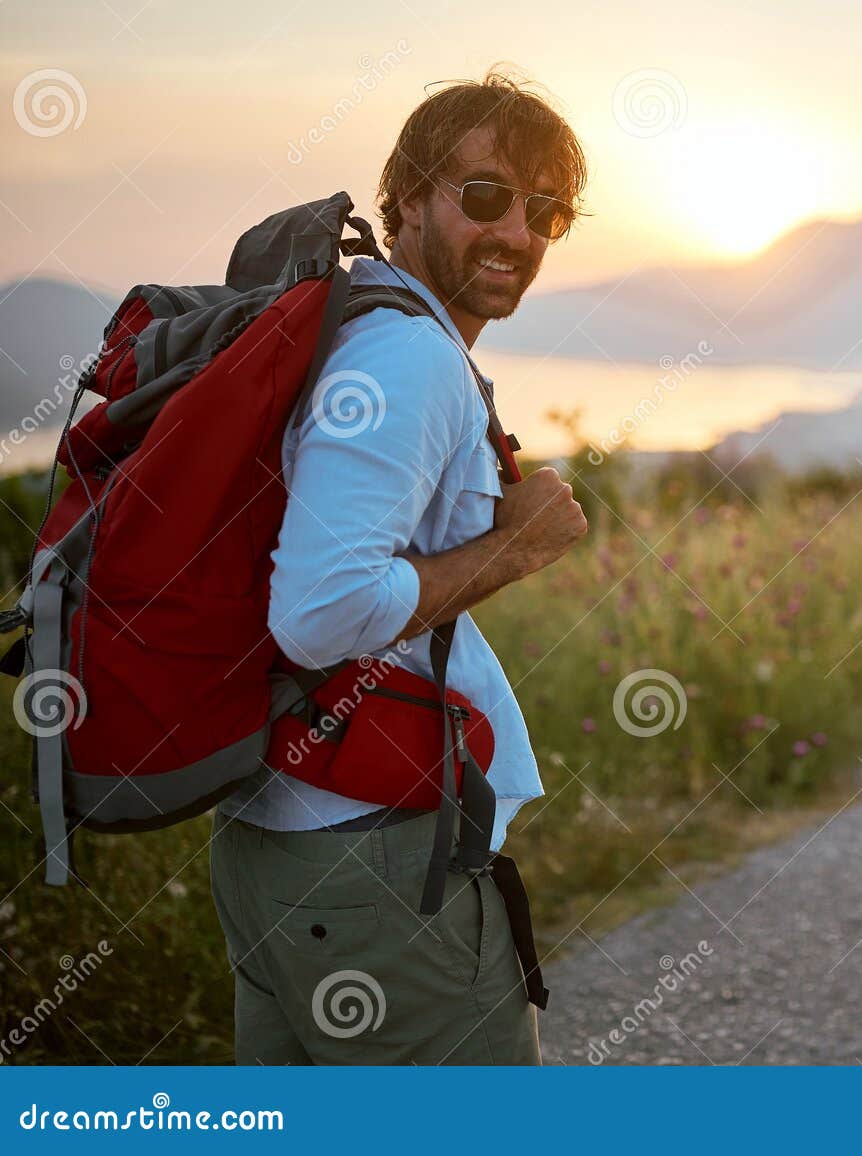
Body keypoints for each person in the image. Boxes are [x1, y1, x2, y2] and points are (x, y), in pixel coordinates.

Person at [208, 69, 589, 1065]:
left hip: (283, 843)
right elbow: (319, 613)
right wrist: (520, 546)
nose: (519, 230)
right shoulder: (406, 358)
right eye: (485, 196)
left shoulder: (356, 325)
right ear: (409, 197)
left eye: (547, 211)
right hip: (371, 863)